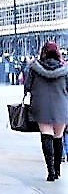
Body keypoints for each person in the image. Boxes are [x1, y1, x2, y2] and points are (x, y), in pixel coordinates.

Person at [24, 40, 68, 181]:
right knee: (58, 137)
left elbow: (27, 86)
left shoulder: (34, 68)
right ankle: (58, 169)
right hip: (61, 105)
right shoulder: (65, 70)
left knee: (46, 135)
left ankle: (50, 171)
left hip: (41, 105)